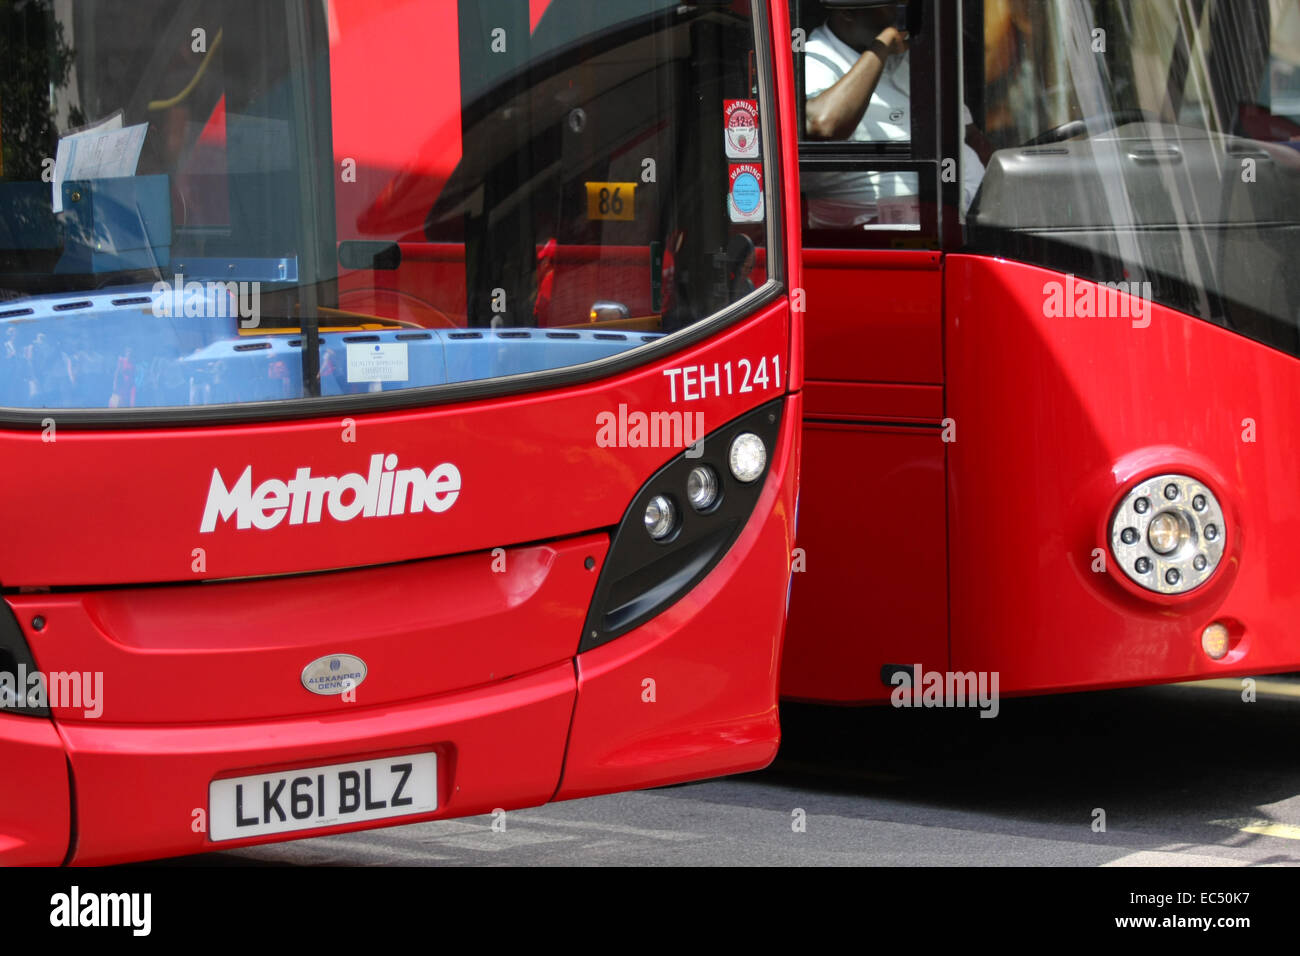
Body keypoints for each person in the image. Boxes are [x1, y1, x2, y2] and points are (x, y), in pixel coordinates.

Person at [803, 1, 986, 228]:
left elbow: (969, 135)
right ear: (847, 11)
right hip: (881, 239)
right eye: (892, 5)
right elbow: (824, 124)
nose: (903, 13)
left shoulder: (911, 56)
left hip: (967, 225)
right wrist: (883, 44)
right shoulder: (816, 58)